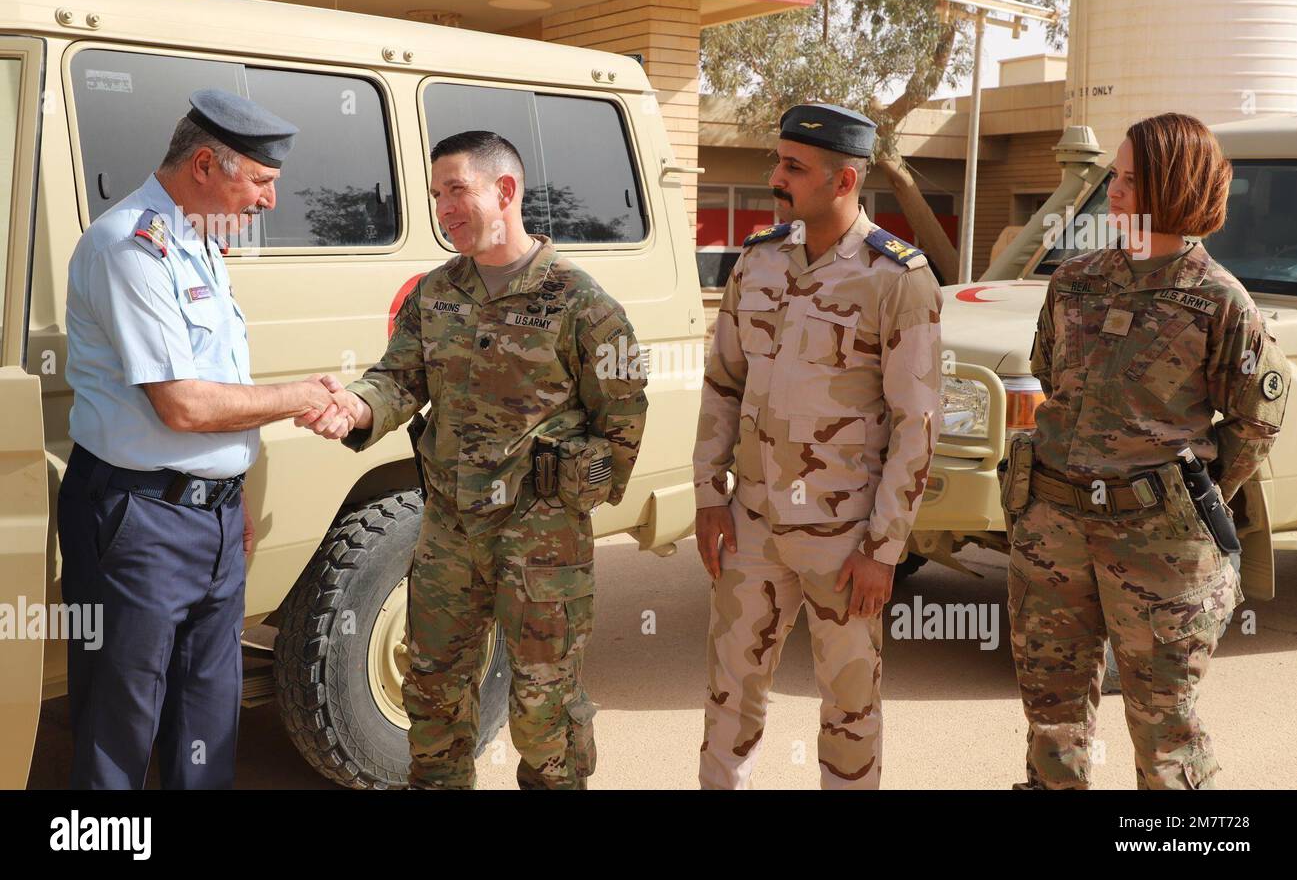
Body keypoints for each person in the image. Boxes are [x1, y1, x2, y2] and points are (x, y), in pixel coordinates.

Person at [297, 130, 648, 789]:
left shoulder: (581, 303)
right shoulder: (436, 295)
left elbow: (623, 418)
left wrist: (569, 497)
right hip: (449, 533)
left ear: (505, 190)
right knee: (432, 694)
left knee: (544, 707)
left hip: (541, 540)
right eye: (437, 195)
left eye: (456, 190)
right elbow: (398, 379)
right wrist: (356, 408)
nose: (444, 208)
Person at [60, 88, 344, 789]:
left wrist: (228, 489)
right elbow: (182, 405)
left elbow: (217, 381)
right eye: (262, 181)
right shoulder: (131, 245)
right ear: (208, 165)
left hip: (207, 520)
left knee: (208, 720)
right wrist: (300, 398)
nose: (269, 202)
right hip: (139, 521)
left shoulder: (199, 240)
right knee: (117, 728)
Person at [1005, 111, 1291, 789]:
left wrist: (1186, 488)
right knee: (1052, 719)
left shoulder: (1219, 299)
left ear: (1173, 184)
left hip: (1158, 550)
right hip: (1055, 534)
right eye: (1116, 178)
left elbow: (1256, 416)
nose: (1115, 193)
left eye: (1131, 180)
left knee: (1165, 730)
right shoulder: (1073, 281)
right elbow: (1054, 381)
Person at [692, 103, 942, 789]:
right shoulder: (759, 261)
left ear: (844, 180)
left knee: (849, 709)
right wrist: (710, 495)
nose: (777, 176)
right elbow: (722, 384)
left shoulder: (897, 278)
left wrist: (884, 549)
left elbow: (915, 424)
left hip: (844, 539)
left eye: (793, 167)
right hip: (752, 528)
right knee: (729, 697)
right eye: (778, 161)